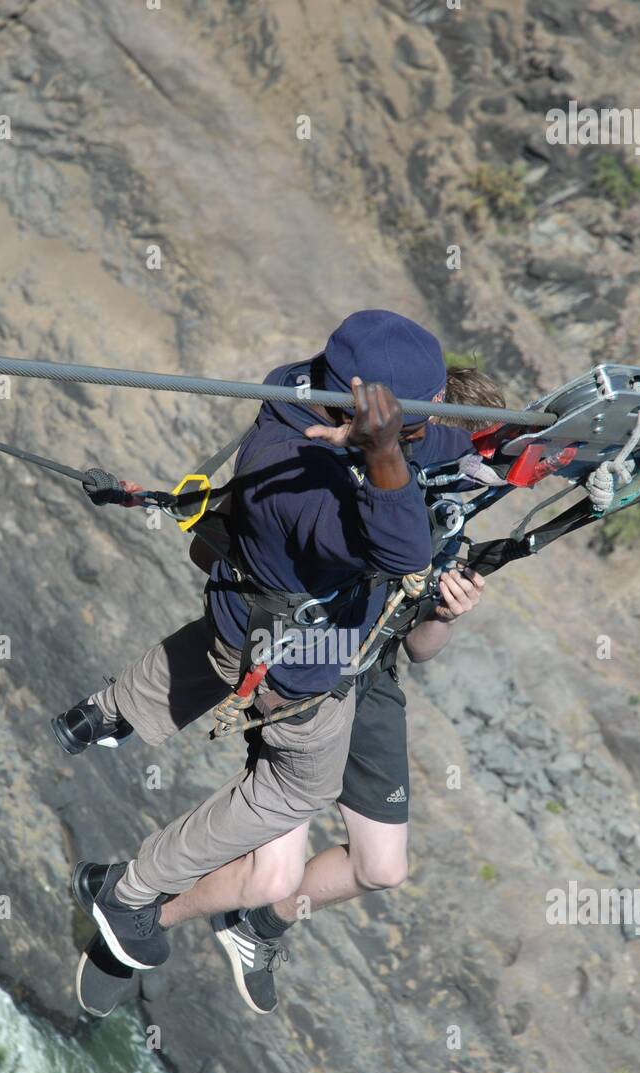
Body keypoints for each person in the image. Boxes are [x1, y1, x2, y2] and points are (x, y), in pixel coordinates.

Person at [55, 310, 472, 1016]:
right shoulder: (315, 496)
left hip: (239, 619)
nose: (419, 443)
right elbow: (405, 554)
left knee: (214, 653)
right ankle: (127, 892)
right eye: (408, 434)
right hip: (296, 671)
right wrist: (383, 458)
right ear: (372, 430)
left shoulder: (290, 400)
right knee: (293, 793)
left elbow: (445, 442)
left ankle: (111, 711)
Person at [209, 366, 507, 1014]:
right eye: (467, 453)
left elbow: (421, 651)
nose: (475, 473)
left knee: (383, 869)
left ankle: (261, 926)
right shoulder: (354, 485)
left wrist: (446, 614)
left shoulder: (451, 523)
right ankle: (147, 898)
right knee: (270, 864)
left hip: (371, 680)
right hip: (307, 663)